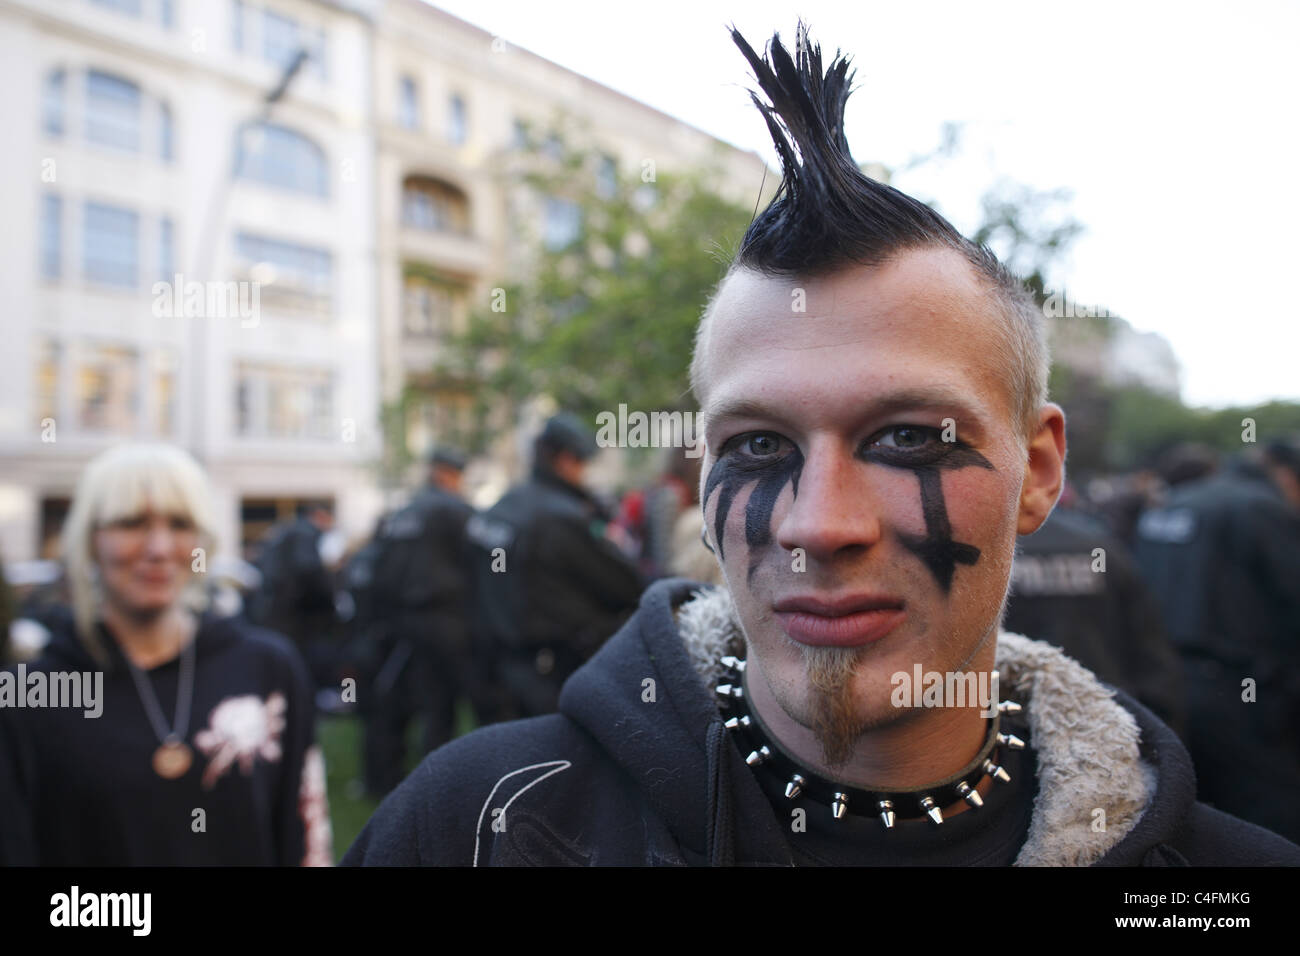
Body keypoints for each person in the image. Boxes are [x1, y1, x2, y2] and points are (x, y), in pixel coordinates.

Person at [344, 25, 1300, 866]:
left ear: (1038, 472)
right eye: (759, 447)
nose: (819, 525)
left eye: (910, 438)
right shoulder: (475, 828)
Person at [0, 444, 331, 865]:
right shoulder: (30, 694)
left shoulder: (268, 670)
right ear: (89, 540)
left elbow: (305, 838)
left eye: (180, 524)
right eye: (131, 523)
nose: (159, 547)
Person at [1133, 440, 1300, 843]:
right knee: (1267, 825)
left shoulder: (1172, 503)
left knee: (1192, 821)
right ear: (1285, 474)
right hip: (1246, 693)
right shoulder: (1260, 507)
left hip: (1164, 687)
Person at [466, 414, 643, 722]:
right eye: (582, 464)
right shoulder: (558, 517)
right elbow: (625, 586)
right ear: (565, 460)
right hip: (548, 672)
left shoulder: (503, 507)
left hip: (495, 667)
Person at [362, 447, 476, 797]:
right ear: (446, 474)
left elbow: (377, 569)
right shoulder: (453, 509)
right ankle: (445, 784)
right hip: (447, 620)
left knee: (423, 702)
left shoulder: (402, 512)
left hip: (404, 621)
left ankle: (414, 781)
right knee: (454, 706)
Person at [248, 501, 339, 691]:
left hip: (273, 612)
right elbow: (309, 571)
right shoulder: (304, 533)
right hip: (292, 617)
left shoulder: (284, 532)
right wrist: (330, 603)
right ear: (319, 515)